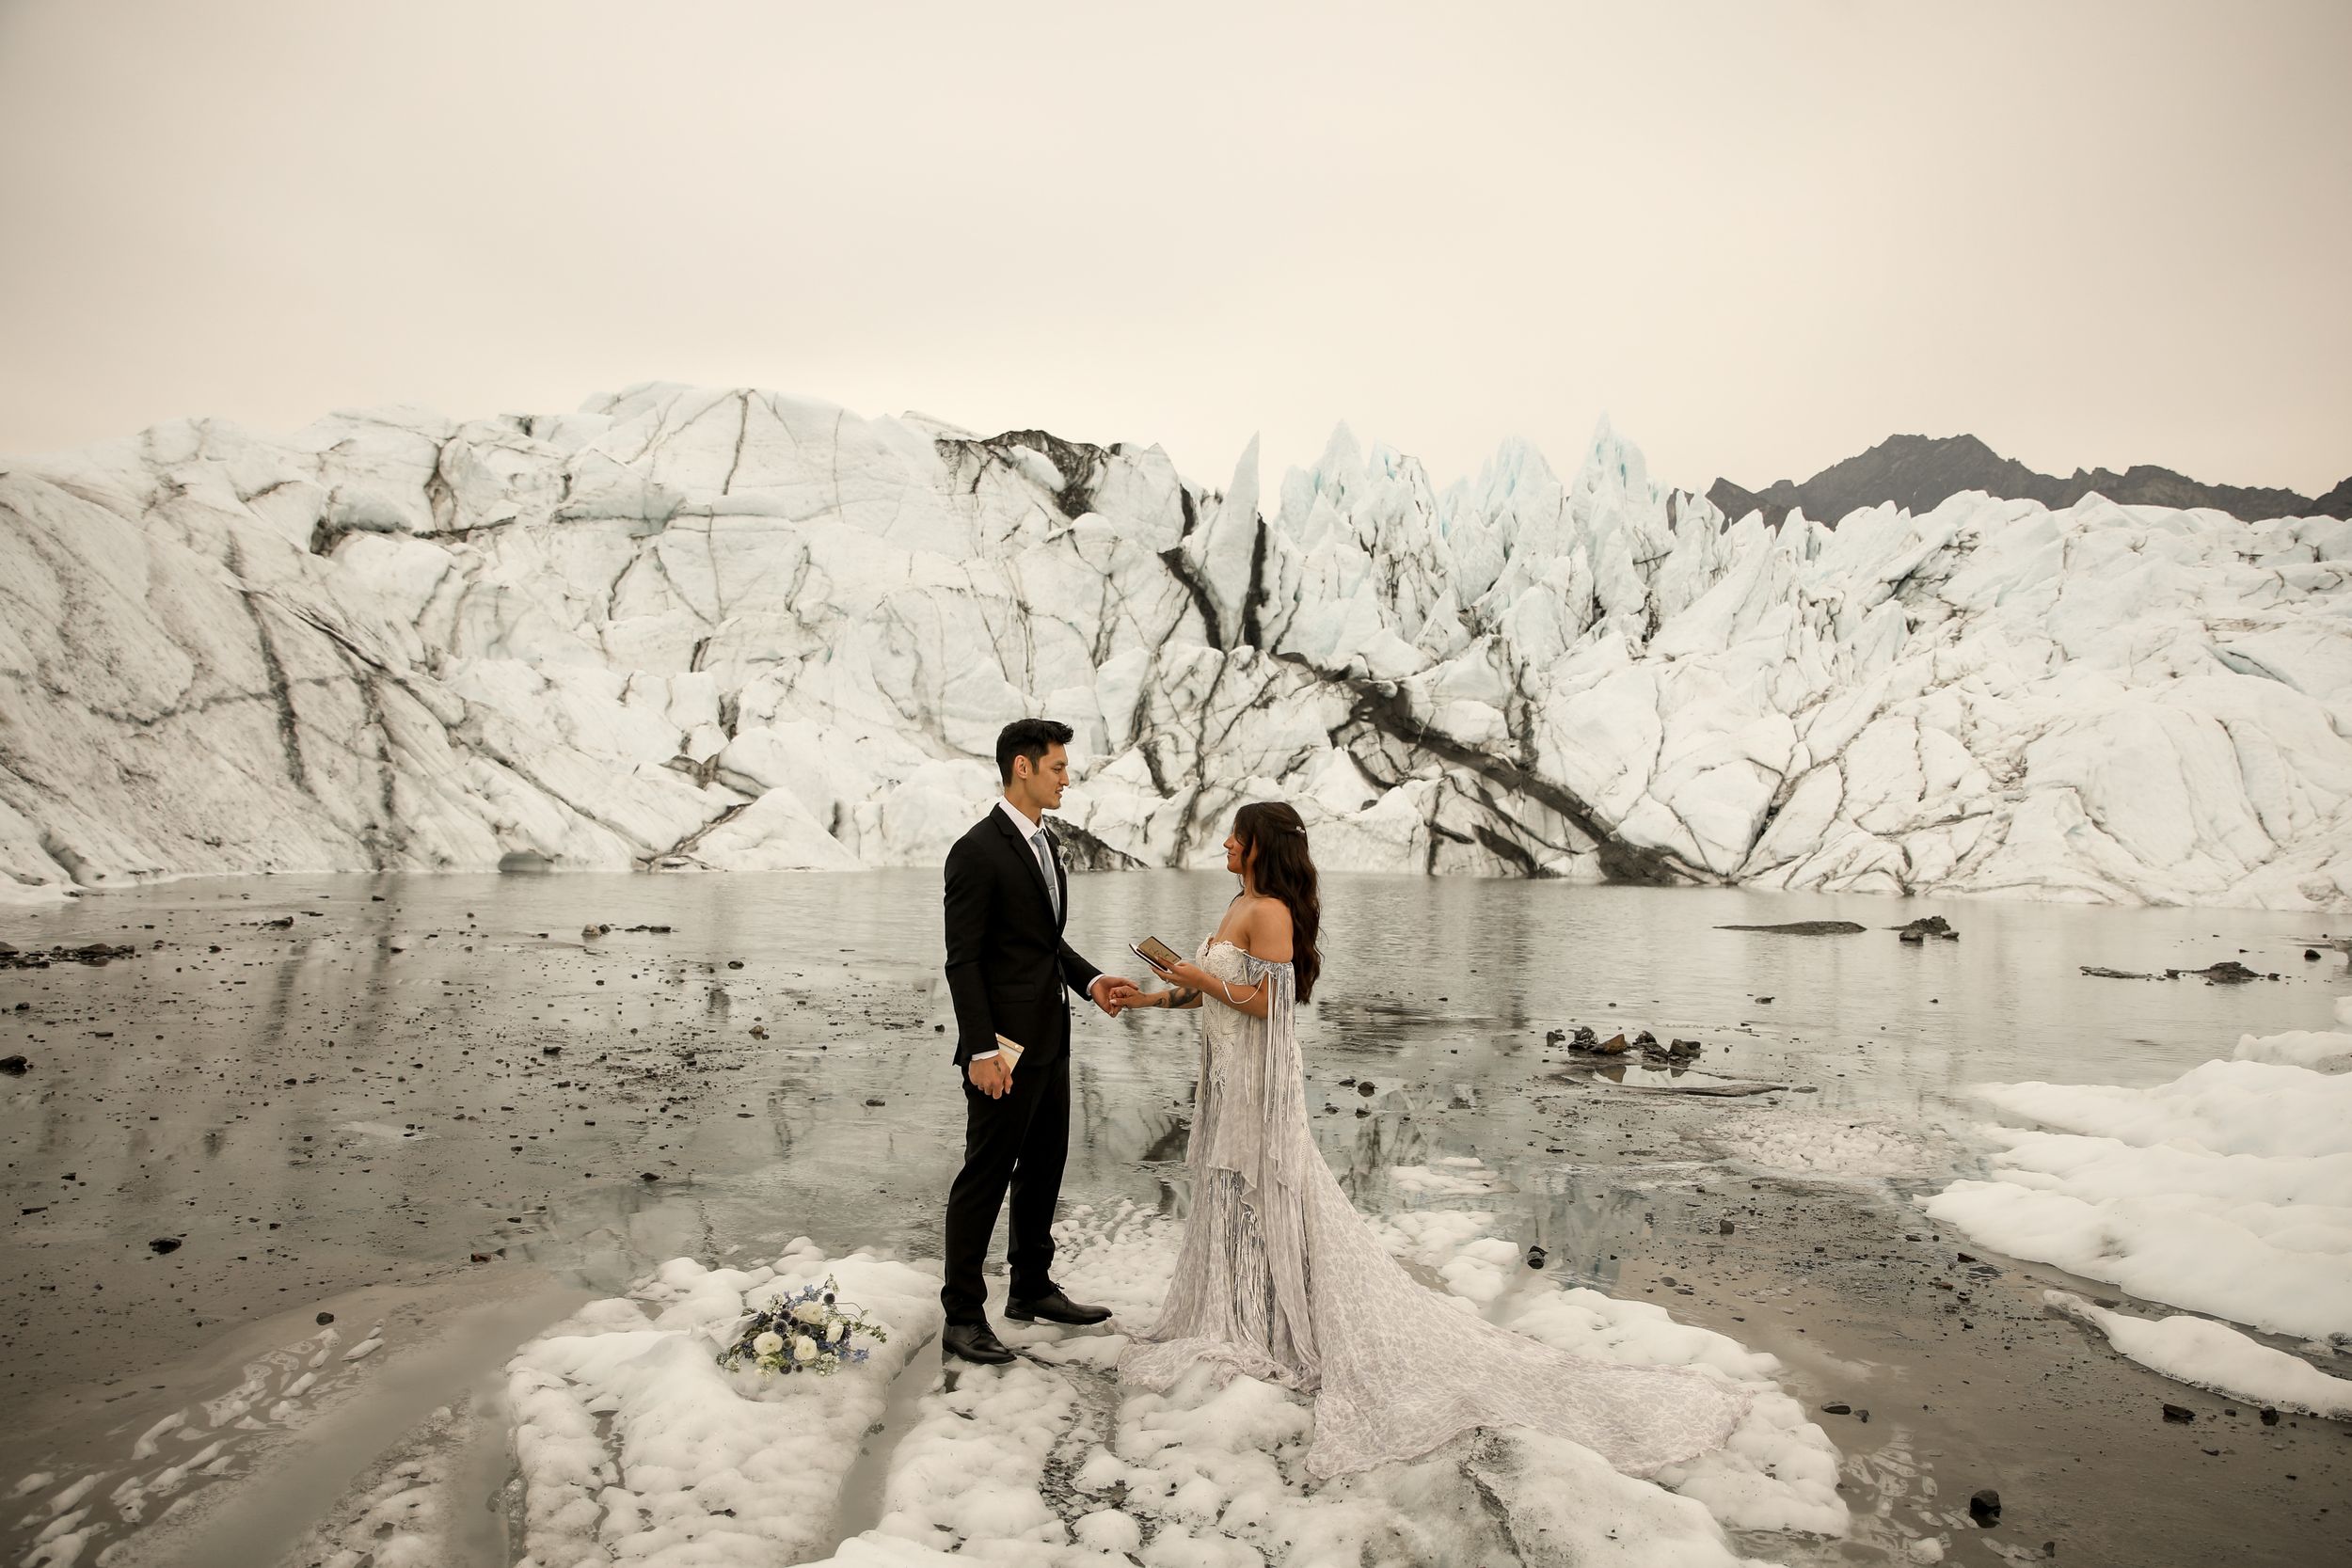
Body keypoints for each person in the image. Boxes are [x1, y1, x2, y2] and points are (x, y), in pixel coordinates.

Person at [1121, 800, 1751, 1480]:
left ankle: (1278, 1322)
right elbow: (1216, 993)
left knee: (1269, 1187)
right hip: (1229, 1073)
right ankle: (1250, 1313)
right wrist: (1153, 997)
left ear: (1256, 846)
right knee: (1236, 1187)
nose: (1223, 841)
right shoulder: (1241, 901)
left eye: (1234, 835)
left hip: (1259, 1080)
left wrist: (1198, 976)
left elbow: (1272, 1005)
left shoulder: (1269, 910)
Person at [939, 718, 1138, 1365]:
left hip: (1051, 1039)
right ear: (1022, 766)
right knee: (985, 1177)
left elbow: (1042, 943)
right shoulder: (975, 850)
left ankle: (1030, 1286)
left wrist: (1091, 980)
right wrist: (980, 1050)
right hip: (1004, 1048)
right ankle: (963, 1315)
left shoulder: (1043, 842)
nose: (1066, 777)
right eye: (1057, 766)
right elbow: (963, 960)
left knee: (1044, 1168)